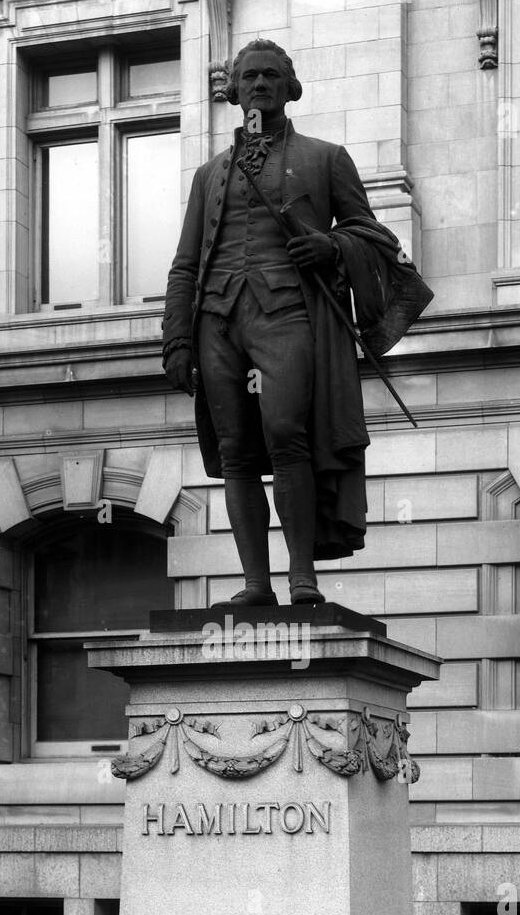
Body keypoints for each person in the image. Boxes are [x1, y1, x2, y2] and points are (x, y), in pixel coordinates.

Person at [162, 39, 432, 607]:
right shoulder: (209, 174)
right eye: (249, 77)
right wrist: (176, 340)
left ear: (291, 88)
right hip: (217, 321)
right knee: (235, 450)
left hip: (287, 314)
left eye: (271, 76)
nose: (259, 84)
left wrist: (331, 247)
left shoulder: (325, 157)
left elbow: (376, 238)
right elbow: (186, 263)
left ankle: (302, 577)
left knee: (288, 437)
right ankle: (256, 586)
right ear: (232, 91)